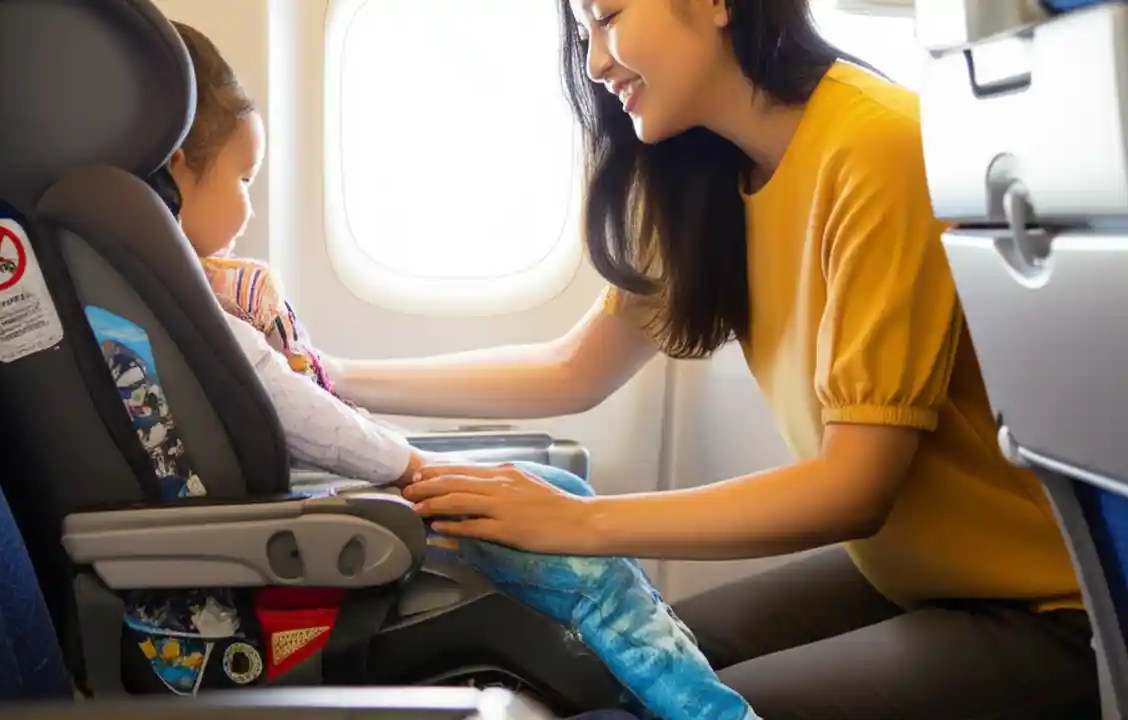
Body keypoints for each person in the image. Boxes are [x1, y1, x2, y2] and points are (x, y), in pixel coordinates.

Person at [320, 1, 1100, 718]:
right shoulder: (716, 173)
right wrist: (334, 380)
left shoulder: (876, 148)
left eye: (608, 16)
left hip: (1045, 610)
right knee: (595, 673)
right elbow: (574, 370)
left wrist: (579, 522)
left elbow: (852, 488)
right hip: (905, 578)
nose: (593, 61)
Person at [133, 22, 755, 719]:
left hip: (331, 498)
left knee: (565, 491)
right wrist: (409, 465)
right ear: (182, 165)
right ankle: (709, 712)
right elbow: (289, 409)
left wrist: (354, 399)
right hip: (324, 519)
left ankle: (651, 690)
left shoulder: (159, 285)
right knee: (586, 566)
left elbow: (568, 370)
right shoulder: (191, 302)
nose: (251, 204)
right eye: (243, 179)